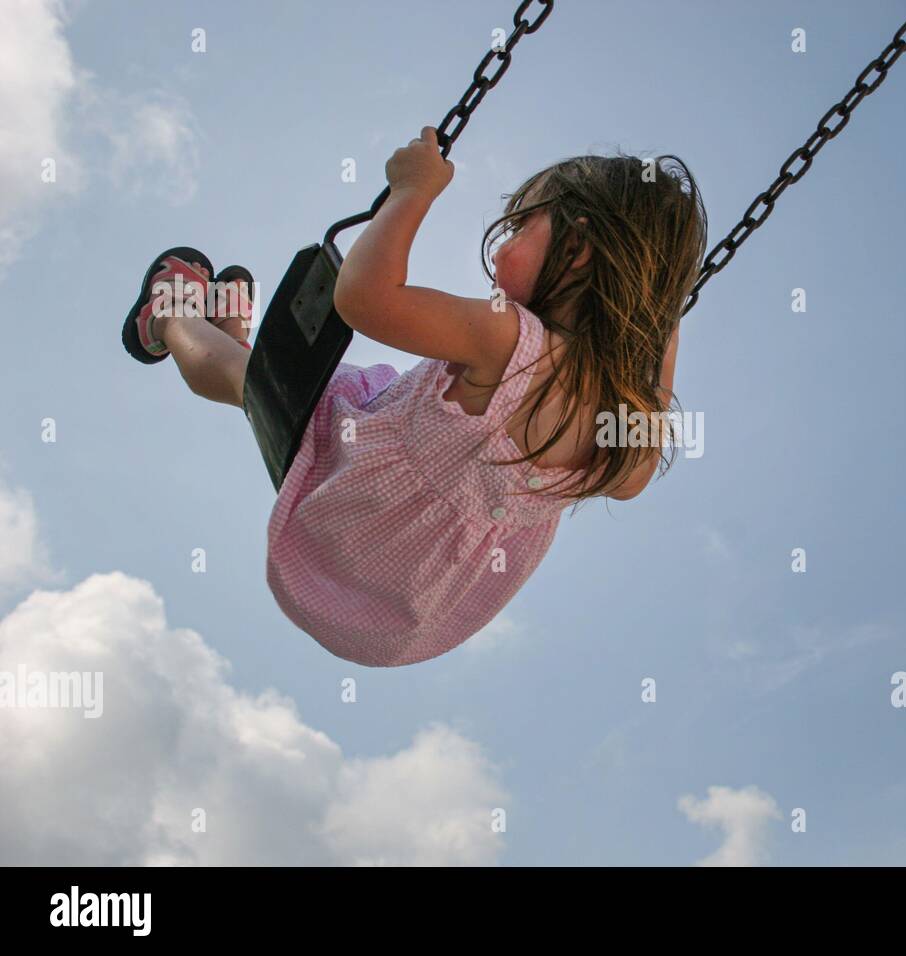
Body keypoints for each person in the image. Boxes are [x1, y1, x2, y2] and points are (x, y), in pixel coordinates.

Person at [121, 128, 707, 666]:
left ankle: (169, 318)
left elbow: (365, 298)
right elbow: (637, 470)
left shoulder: (511, 338)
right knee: (268, 376)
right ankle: (232, 335)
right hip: (406, 616)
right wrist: (661, 333)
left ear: (577, 251)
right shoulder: (625, 435)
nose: (501, 249)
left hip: (350, 513)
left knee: (254, 381)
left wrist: (412, 191)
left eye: (520, 227)